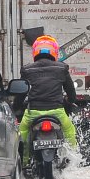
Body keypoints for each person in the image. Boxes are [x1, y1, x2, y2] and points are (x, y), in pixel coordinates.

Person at [18, 35, 78, 165]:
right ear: (54, 51)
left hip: (33, 113)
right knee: (70, 131)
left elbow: (21, 92)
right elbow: (71, 91)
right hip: (57, 112)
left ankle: (24, 163)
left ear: (35, 52)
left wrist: (16, 106)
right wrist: (70, 101)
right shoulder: (62, 68)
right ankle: (72, 161)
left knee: (21, 133)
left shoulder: (27, 69)